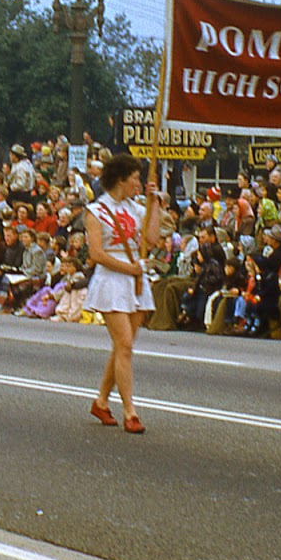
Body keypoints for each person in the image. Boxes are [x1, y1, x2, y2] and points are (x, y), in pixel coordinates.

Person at [84, 154, 164, 434]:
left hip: (135, 280)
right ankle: (130, 411)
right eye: (135, 178)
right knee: (126, 345)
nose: (139, 183)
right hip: (112, 280)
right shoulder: (96, 211)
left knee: (122, 347)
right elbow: (96, 254)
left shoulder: (136, 208)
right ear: (121, 179)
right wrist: (130, 268)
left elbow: (152, 239)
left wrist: (154, 205)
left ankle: (101, 401)